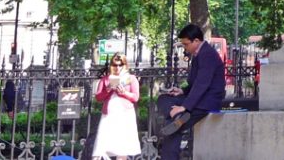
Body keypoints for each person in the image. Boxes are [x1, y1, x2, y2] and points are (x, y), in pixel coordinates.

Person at [156, 24, 226, 160]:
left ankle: (178, 117)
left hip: (205, 103)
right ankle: (176, 116)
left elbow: (202, 84)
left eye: (186, 44)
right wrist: (181, 90)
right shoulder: (199, 54)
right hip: (197, 100)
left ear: (196, 41)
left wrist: (184, 106)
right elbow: (195, 83)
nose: (184, 47)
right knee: (164, 99)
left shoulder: (207, 54)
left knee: (172, 130)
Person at [91, 53, 140, 159]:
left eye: (120, 65)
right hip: (109, 115)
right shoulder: (105, 79)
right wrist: (108, 89)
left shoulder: (131, 78)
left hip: (125, 115)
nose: (117, 68)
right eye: (115, 65)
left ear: (125, 65)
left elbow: (136, 97)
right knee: (101, 145)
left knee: (122, 148)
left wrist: (124, 93)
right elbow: (98, 97)